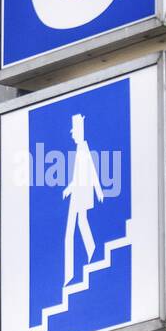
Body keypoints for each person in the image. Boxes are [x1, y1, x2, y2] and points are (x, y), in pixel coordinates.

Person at [62, 113, 103, 288]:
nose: (71, 134)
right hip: (78, 193)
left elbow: (92, 171)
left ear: (79, 131)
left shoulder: (83, 148)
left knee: (72, 230)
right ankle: (92, 254)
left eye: (73, 130)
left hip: (81, 195)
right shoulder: (80, 149)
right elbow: (79, 175)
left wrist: (98, 190)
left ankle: (74, 271)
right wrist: (69, 188)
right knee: (79, 225)